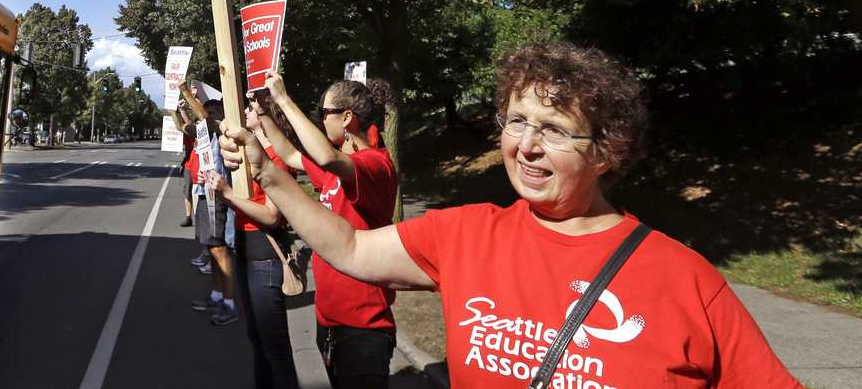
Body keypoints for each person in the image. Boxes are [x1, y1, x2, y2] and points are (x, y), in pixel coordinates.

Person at [221, 41, 804, 389]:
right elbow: (349, 248)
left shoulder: (685, 278)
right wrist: (269, 173)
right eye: (517, 121)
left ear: (608, 150)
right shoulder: (466, 233)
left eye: (553, 129)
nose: (525, 144)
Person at [255, 73, 399, 389]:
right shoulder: (337, 171)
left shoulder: (374, 164)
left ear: (347, 118)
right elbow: (293, 155)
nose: (320, 120)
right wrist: (264, 111)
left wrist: (283, 98)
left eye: (324, 113)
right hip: (330, 321)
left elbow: (324, 156)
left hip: (363, 325)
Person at [206, 100, 301, 389]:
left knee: (274, 348)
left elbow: (272, 215)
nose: (245, 111)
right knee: (257, 341)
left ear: (267, 116)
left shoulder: (276, 157)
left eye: (252, 107)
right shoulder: (252, 153)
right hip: (247, 251)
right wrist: (218, 187)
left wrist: (227, 194)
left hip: (266, 256)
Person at [182, 82, 237, 325]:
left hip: (219, 195)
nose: (207, 117)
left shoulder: (220, 131)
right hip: (205, 194)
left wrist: (185, 91)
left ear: (220, 116)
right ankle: (216, 296)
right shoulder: (204, 133)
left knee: (220, 249)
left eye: (212, 113)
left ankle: (230, 304)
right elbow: (182, 126)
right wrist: (174, 106)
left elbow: (204, 117)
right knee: (212, 248)